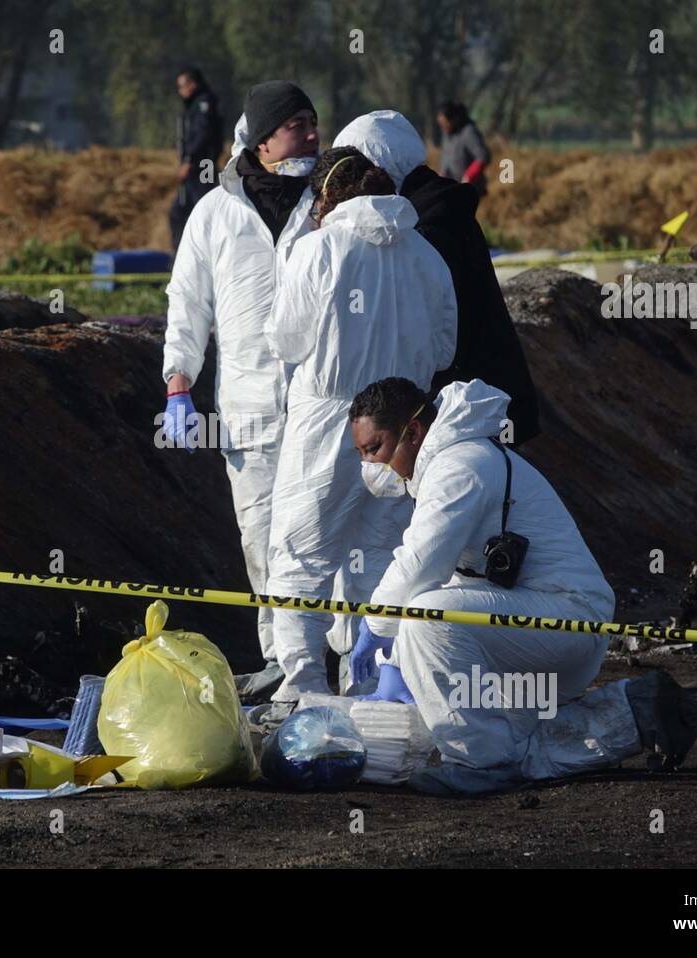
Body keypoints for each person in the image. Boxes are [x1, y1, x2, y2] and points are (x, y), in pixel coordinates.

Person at [348, 376, 697, 794]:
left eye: (375, 448)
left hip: (567, 619)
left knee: (426, 620)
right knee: (518, 744)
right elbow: (452, 579)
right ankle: (636, 711)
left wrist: (376, 627)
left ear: (413, 432)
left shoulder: (459, 467)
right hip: (533, 621)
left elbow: (421, 563)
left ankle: (480, 765)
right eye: (362, 453)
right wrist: (397, 664)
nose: (370, 465)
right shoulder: (449, 464)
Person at [261, 148, 457, 707]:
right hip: (403, 425)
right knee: (381, 559)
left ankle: (302, 695)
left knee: (301, 557)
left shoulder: (319, 249)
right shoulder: (427, 255)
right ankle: (372, 694)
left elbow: (287, 340)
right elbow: (444, 349)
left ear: (326, 198)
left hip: (327, 419)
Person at [162, 81, 320, 702]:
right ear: (261, 140)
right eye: (297, 125)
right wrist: (179, 381)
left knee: (320, 541)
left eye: (314, 123)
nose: (310, 135)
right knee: (262, 540)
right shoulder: (215, 213)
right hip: (249, 413)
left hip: (322, 408)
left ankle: (341, 661)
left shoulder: (328, 205)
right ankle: (281, 660)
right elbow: (187, 303)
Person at [334, 110, 539, 444]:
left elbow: (429, 325)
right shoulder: (441, 206)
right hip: (490, 388)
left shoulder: (425, 226)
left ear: (380, 167)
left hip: (471, 400)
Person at [169, 68, 224, 252]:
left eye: (182, 86)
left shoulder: (204, 104)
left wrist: (189, 160)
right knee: (180, 212)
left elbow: (203, 135)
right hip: (195, 167)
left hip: (204, 164)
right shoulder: (194, 105)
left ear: (192, 84)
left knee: (206, 206)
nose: (180, 91)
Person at [436, 101, 491, 201]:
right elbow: (446, 159)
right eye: (441, 124)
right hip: (452, 190)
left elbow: (483, 156)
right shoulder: (447, 135)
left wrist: (468, 177)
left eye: (445, 123)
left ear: (454, 119)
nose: (443, 127)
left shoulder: (469, 132)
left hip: (471, 192)